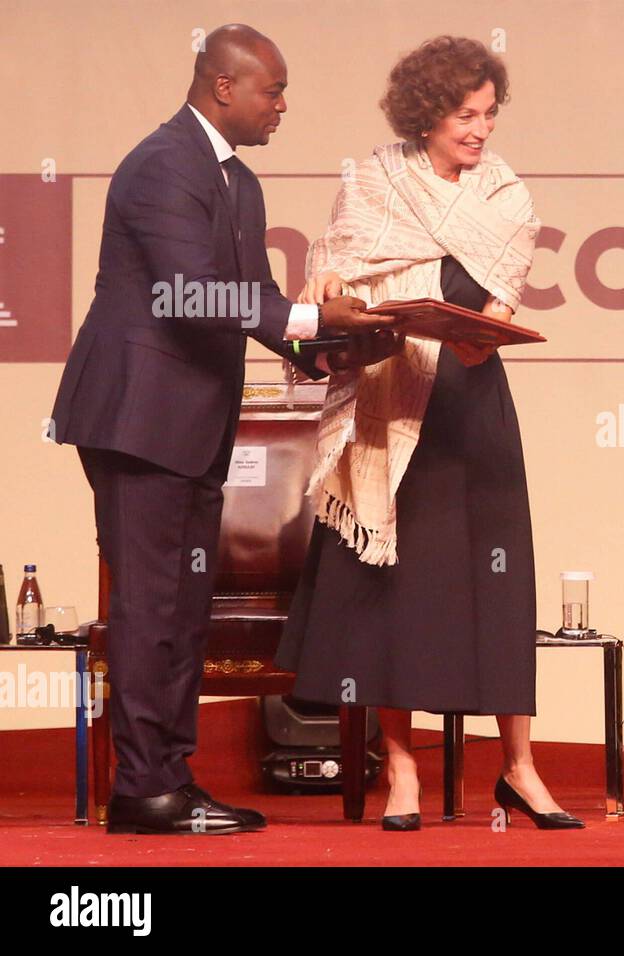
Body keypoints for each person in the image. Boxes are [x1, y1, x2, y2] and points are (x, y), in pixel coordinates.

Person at [48, 24, 391, 834]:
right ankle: (142, 788)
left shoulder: (237, 182)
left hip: (191, 421)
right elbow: (190, 296)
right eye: (273, 91)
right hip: (138, 418)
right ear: (224, 87)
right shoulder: (162, 165)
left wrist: (330, 349)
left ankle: (169, 778)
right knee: (151, 607)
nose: (283, 106)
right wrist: (311, 312)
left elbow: (257, 301)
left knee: (183, 608)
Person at [275, 35, 582, 831]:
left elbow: (501, 296)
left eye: (487, 114)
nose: (479, 130)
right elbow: (338, 271)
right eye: (462, 115)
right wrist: (339, 283)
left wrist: (490, 330)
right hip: (390, 399)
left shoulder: (505, 192)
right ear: (425, 115)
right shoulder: (375, 178)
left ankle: (519, 767)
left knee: (497, 585)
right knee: (394, 592)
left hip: (471, 400)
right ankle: (403, 770)